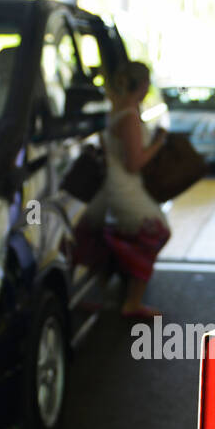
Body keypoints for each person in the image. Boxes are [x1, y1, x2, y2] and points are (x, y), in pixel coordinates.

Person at [77, 61, 171, 318]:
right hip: (124, 187)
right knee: (157, 231)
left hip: (114, 185)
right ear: (142, 84)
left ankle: (114, 279)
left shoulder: (120, 108)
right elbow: (134, 163)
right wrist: (159, 143)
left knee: (132, 233)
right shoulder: (129, 116)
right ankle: (132, 300)